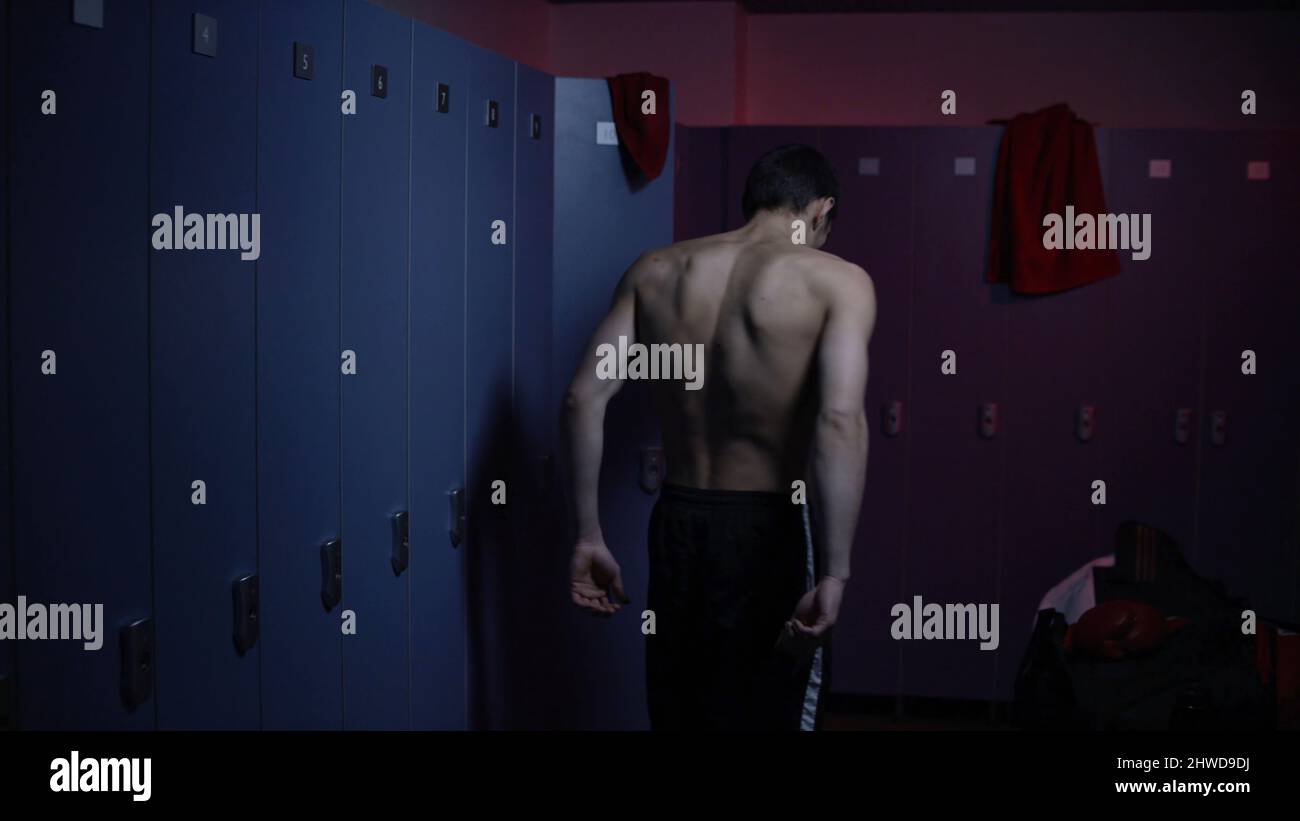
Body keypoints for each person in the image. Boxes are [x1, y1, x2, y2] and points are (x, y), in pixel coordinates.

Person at [563, 144, 876, 730]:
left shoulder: (654, 269)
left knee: (683, 708)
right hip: (766, 527)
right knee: (768, 709)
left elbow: (583, 398)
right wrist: (834, 573)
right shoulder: (841, 283)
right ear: (820, 209)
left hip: (678, 522)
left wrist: (587, 534)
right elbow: (840, 421)